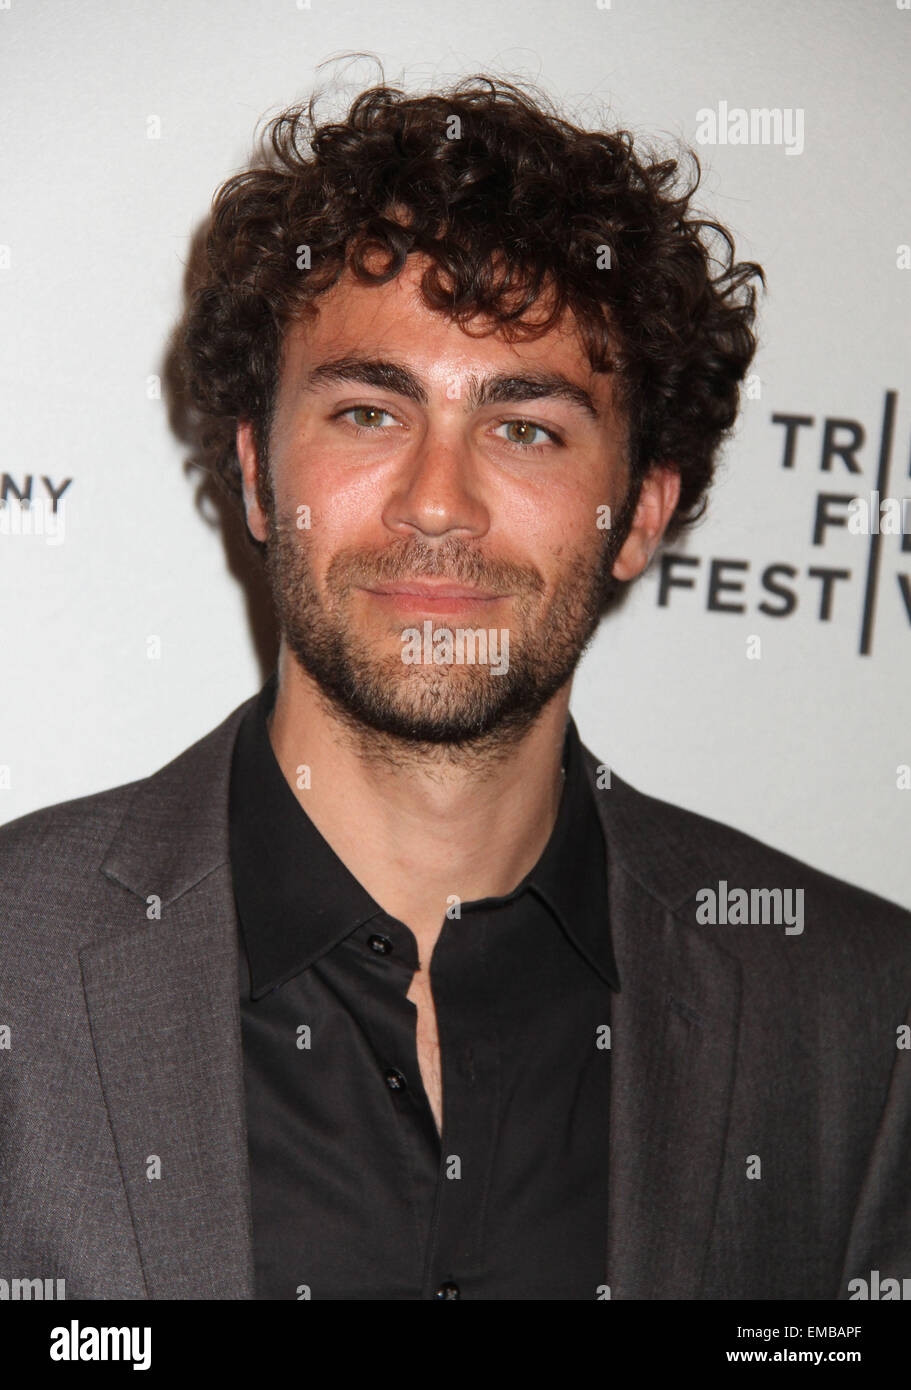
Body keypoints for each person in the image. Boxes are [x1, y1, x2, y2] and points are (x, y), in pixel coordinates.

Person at [1, 76, 909, 1302]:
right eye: (371, 411)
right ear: (260, 480)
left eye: (525, 427)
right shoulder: (19, 963)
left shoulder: (855, 1019)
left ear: (639, 509)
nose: (438, 501)